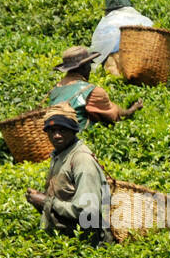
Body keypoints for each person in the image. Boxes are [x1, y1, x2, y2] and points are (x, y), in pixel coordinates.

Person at [23, 102, 112, 244]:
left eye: (62, 130)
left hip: (86, 244)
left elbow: (87, 212)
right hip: (64, 238)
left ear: (73, 130)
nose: (56, 135)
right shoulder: (60, 154)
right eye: (52, 131)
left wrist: (46, 202)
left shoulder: (82, 160)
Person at [47, 46, 142, 130]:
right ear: (84, 67)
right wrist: (131, 110)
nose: (90, 69)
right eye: (89, 64)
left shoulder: (55, 89)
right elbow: (113, 116)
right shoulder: (92, 91)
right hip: (81, 141)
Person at [90, 0, 154, 77]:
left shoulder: (108, 22)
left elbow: (98, 49)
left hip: (117, 63)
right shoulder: (145, 20)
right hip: (145, 61)